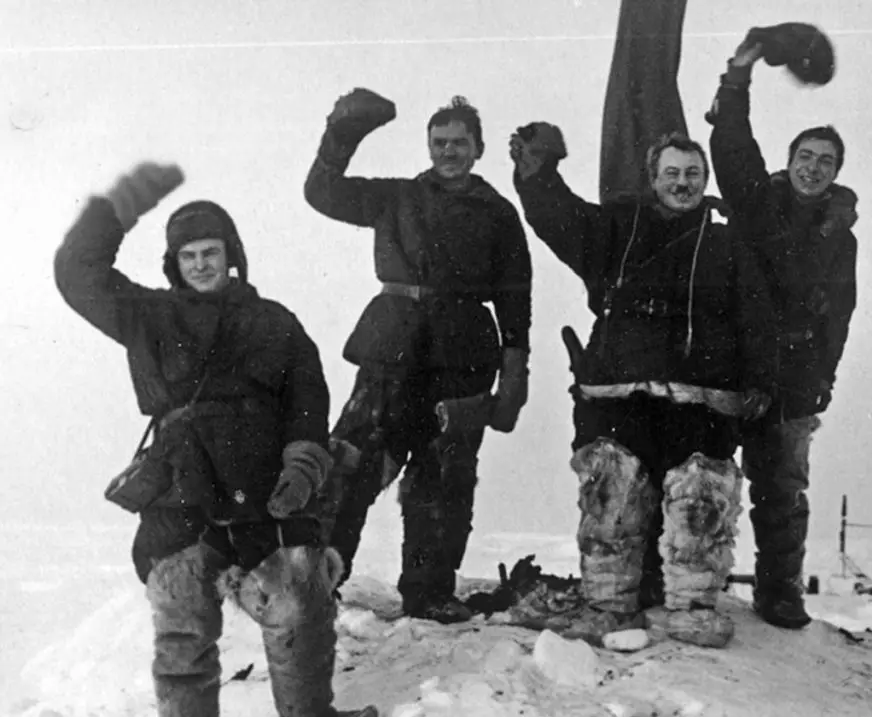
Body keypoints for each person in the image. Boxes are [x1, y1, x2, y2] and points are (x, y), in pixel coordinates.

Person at [54, 163, 377, 717]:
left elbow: (307, 404)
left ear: (232, 256)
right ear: (174, 264)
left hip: (267, 497)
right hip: (181, 500)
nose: (201, 263)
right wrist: (125, 201)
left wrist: (302, 467)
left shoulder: (277, 323)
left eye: (211, 251)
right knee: (183, 640)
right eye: (189, 255)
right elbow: (77, 273)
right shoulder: (149, 316)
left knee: (301, 621)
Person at [508, 123, 778, 647]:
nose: (683, 183)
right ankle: (607, 606)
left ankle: (692, 609)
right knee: (612, 497)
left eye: (693, 173)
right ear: (652, 178)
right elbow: (560, 219)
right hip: (620, 395)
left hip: (701, 401)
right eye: (672, 173)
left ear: (706, 179)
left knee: (700, 503)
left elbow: (758, 315)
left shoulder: (727, 242)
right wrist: (537, 173)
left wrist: (762, 377)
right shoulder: (619, 228)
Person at [303, 90, 532, 624]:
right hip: (391, 348)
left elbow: (517, 300)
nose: (448, 151)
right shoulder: (396, 197)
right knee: (349, 465)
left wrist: (513, 380)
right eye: (439, 142)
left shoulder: (498, 213)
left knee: (444, 477)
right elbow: (322, 191)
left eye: (459, 142)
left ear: (477, 148)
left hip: (462, 356)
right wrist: (344, 132)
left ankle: (429, 593)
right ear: (427, 145)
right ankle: (317, 583)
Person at [707, 35, 859, 630]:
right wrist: (737, 77)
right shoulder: (756, 204)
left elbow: (839, 316)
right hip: (732, 363)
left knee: (782, 492)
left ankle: (780, 592)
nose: (813, 167)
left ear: (835, 172)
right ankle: (694, 581)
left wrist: (823, 378)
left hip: (793, 378)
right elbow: (731, 141)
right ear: (789, 159)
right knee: (706, 481)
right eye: (806, 155)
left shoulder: (838, 239)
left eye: (826, 161)